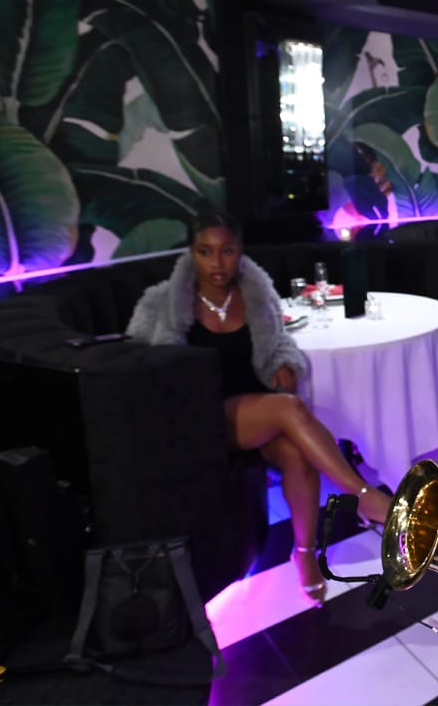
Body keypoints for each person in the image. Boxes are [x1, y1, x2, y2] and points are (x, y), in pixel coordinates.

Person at [126, 211, 393, 607]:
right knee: (290, 410)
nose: (218, 263)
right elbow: (137, 367)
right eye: (206, 251)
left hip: (257, 415)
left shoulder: (256, 293)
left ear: (239, 251)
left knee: (297, 454)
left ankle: (303, 554)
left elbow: (280, 343)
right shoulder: (160, 303)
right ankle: (363, 494)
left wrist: (283, 365)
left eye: (228, 251)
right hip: (201, 419)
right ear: (191, 253)